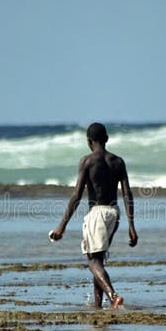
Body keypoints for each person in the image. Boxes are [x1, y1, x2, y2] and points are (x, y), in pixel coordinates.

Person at [49, 122, 138, 308]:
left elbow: (76, 196)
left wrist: (61, 226)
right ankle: (98, 305)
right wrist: (131, 226)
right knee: (99, 260)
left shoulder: (87, 161)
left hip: (97, 213)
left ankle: (113, 297)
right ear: (106, 139)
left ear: (89, 141)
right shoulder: (118, 162)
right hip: (114, 213)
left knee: (93, 261)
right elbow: (127, 194)